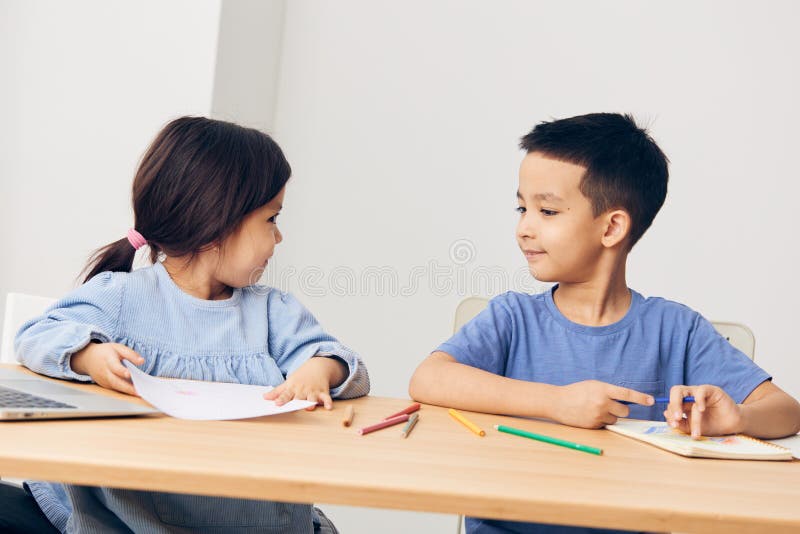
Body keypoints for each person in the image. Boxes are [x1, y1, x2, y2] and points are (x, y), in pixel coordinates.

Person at [408, 112, 800, 534]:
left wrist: (738, 418)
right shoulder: (512, 318)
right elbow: (429, 379)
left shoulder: (676, 330)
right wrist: (556, 403)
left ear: (612, 227)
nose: (523, 227)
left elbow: (786, 412)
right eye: (522, 207)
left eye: (547, 211)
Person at [9, 116, 369, 533]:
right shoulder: (123, 296)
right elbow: (36, 336)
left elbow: (346, 366)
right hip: (133, 520)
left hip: (253, 519)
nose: (280, 237)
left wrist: (320, 369)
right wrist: (88, 356)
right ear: (216, 223)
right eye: (271, 219)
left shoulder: (272, 311)